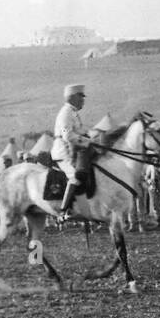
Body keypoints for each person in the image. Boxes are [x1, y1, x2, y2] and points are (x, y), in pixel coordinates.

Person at [53, 83, 92, 220]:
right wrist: (88, 141)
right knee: (75, 176)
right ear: (72, 98)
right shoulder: (66, 113)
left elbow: (81, 132)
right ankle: (64, 211)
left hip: (73, 150)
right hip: (63, 150)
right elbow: (67, 135)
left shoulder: (74, 113)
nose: (83, 100)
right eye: (80, 97)